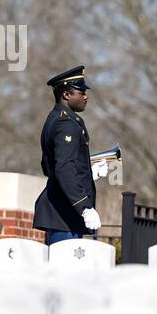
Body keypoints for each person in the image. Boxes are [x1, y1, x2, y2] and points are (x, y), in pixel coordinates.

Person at [33, 66, 109, 245]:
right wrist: (84, 207)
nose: (85, 96)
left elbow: (51, 166)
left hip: (64, 212)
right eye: (81, 92)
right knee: (65, 270)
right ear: (67, 95)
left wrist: (89, 172)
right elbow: (63, 168)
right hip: (64, 214)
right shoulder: (65, 123)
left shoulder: (58, 119)